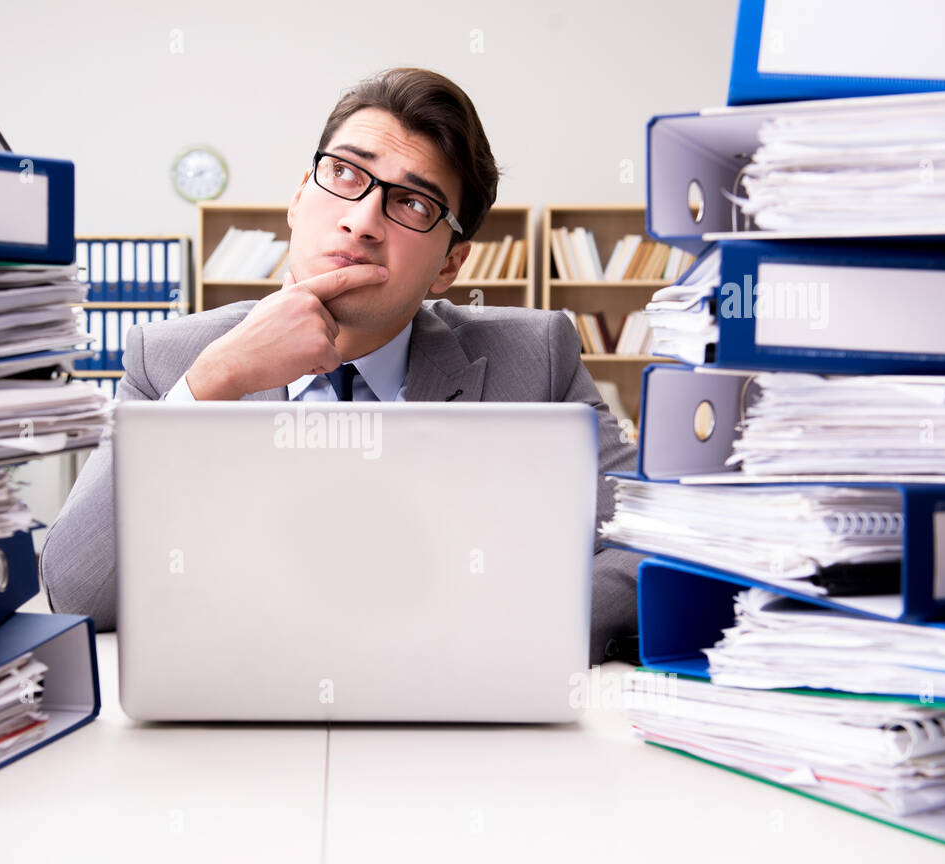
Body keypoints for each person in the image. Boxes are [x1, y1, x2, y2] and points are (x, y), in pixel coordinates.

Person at [42, 67, 642, 665]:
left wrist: (493, 634)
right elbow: (78, 591)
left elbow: (649, 544)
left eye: (412, 201)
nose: (361, 220)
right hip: (239, 713)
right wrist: (212, 383)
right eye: (345, 174)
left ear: (449, 265)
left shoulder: (536, 357)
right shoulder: (172, 360)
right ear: (300, 196)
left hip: (454, 713)